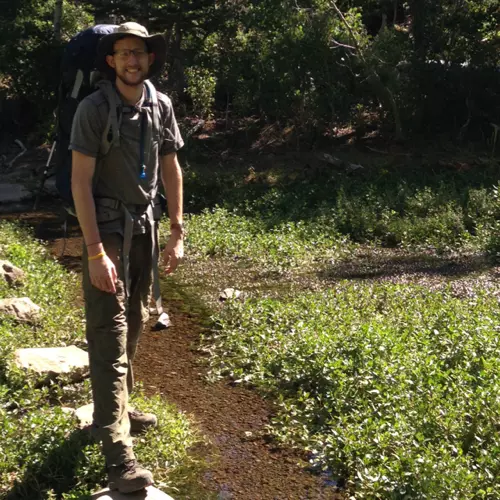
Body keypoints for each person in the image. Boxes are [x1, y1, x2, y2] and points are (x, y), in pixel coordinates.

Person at [70, 22, 184, 493]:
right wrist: (95, 252)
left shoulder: (161, 104)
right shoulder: (93, 110)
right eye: (122, 53)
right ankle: (120, 462)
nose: (132, 60)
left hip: (146, 231)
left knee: (134, 320)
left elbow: (172, 166)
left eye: (138, 52)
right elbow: (80, 182)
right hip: (108, 231)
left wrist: (177, 230)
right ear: (111, 61)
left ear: (150, 59)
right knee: (109, 335)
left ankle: (116, 411)